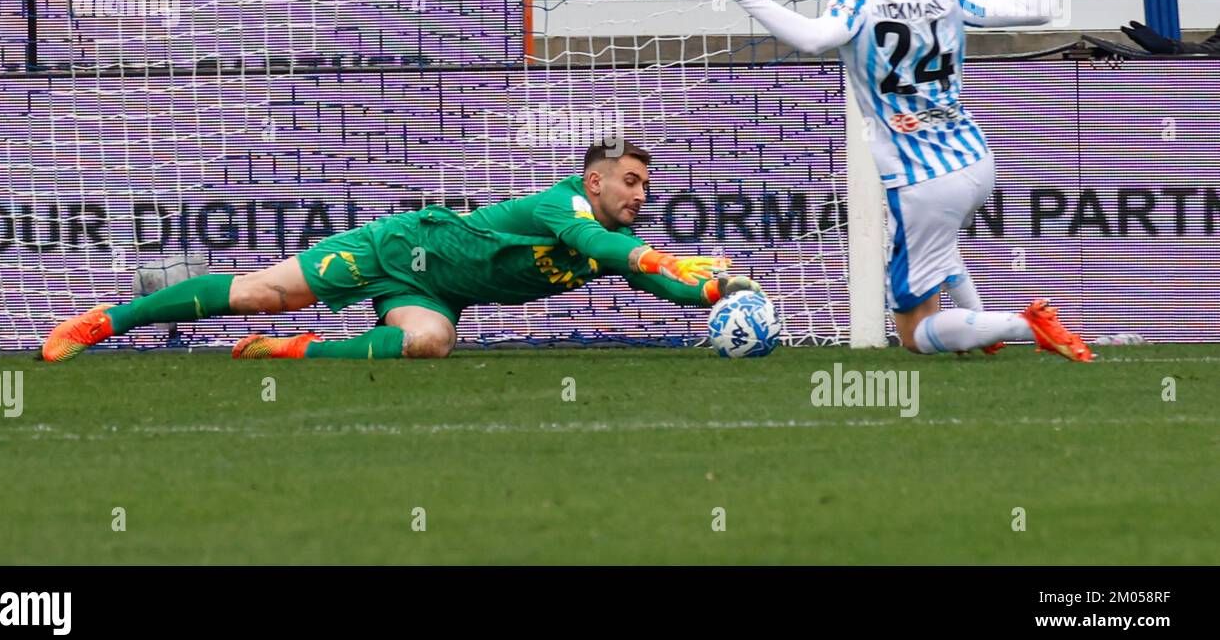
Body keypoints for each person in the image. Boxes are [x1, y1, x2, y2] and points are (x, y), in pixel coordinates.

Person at [712, 0, 1093, 362]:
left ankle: (1024, 323)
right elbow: (1036, 6)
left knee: (913, 332)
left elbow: (811, 39)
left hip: (923, 180)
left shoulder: (856, 4)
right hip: (975, 161)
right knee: (940, 250)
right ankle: (981, 327)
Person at [40, 141, 758, 362]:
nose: (639, 195)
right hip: (399, 246)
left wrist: (717, 291)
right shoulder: (565, 205)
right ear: (596, 179)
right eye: (629, 182)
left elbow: (662, 283)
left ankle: (289, 353)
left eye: (645, 186)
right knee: (260, 290)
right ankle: (107, 321)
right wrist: (665, 260)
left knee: (431, 342)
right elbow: (597, 243)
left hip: (436, 291)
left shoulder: (619, 241)